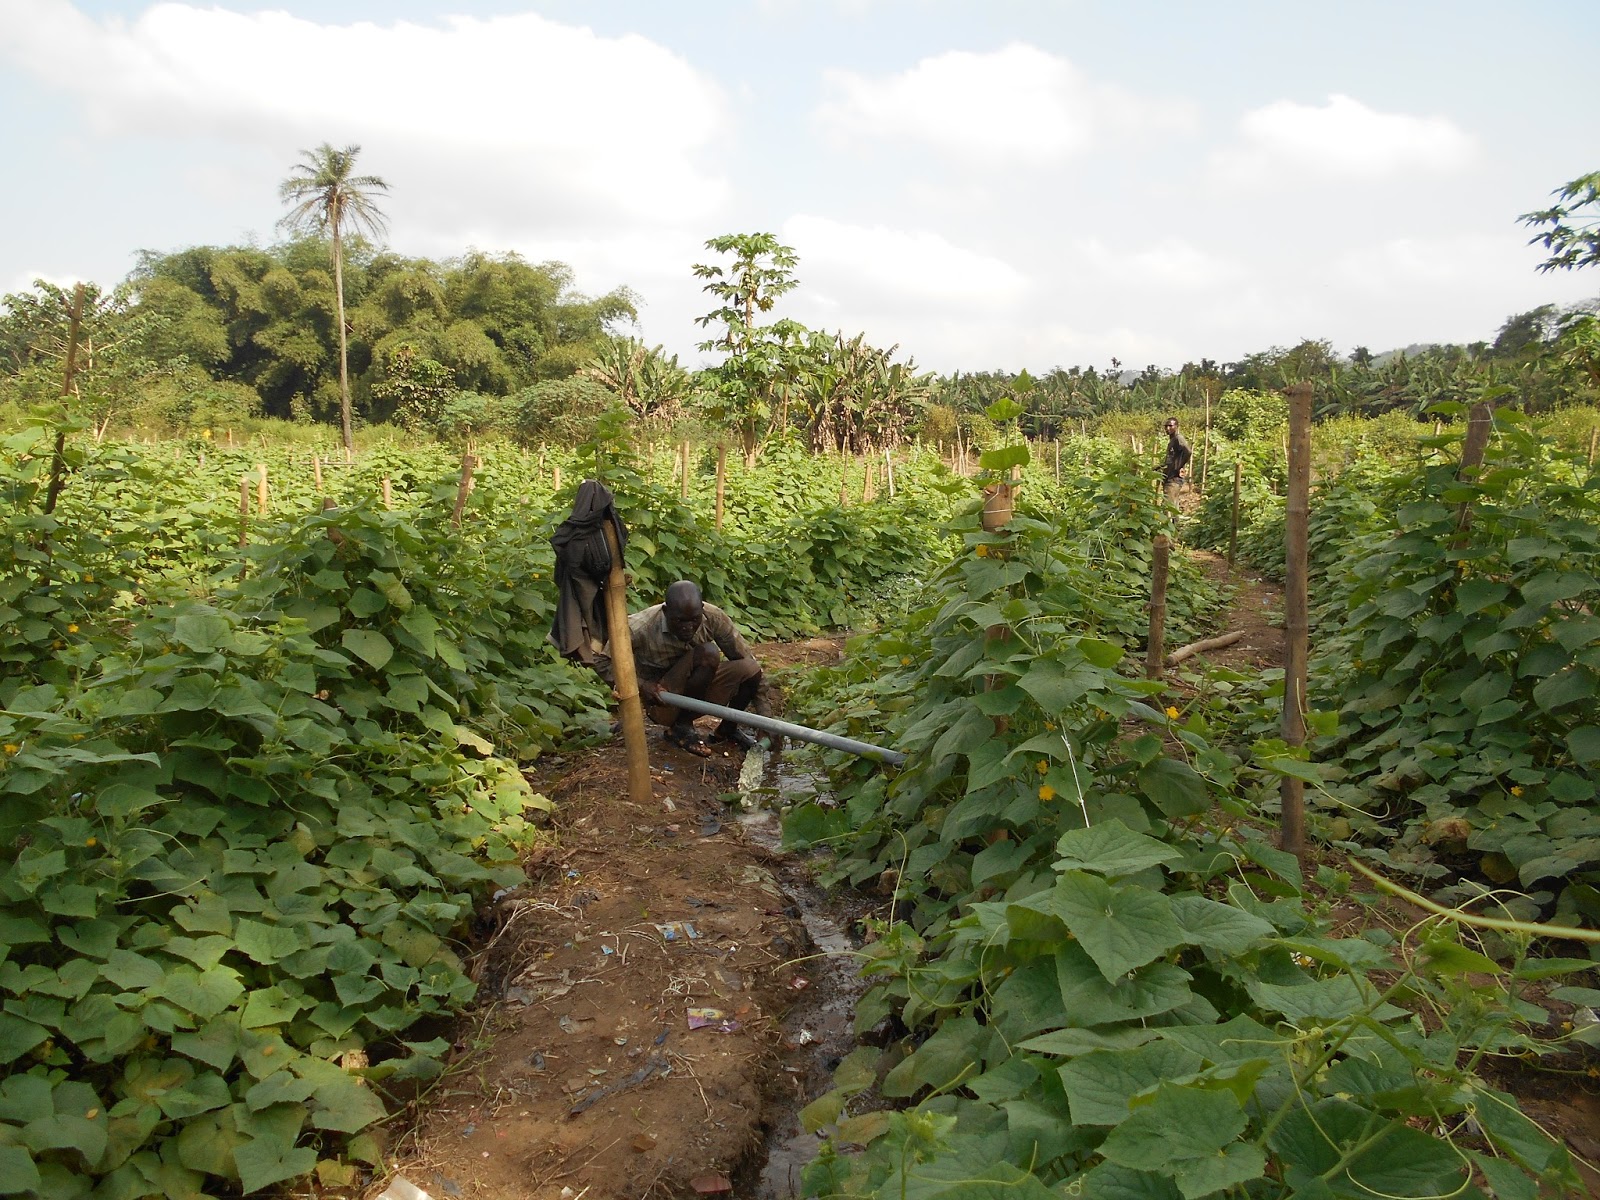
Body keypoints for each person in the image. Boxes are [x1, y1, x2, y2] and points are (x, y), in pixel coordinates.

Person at [598, 580, 763, 756]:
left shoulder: (713, 617)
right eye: (680, 621)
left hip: (697, 691)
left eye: (694, 620)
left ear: (701, 609)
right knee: (708, 653)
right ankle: (681, 728)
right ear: (666, 612)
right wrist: (642, 685)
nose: (688, 627)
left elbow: (747, 661)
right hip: (662, 699)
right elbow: (601, 662)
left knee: (750, 668)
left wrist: (766, 720)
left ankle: (727, 730)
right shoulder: (640, 627)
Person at [1161, 417, 1192, 506]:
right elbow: (1171, 459)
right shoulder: (1172, 441)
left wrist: (1179, 466)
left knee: (1167, 506)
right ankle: (1174, 520)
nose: (1167, 428)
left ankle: (1169, 520)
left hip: (1174, 478)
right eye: (1166, 426)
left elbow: (1188, 451)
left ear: (1176, 427)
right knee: (1173, 506)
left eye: (1170, 426)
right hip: (1169, 477)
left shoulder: (1178, 438)